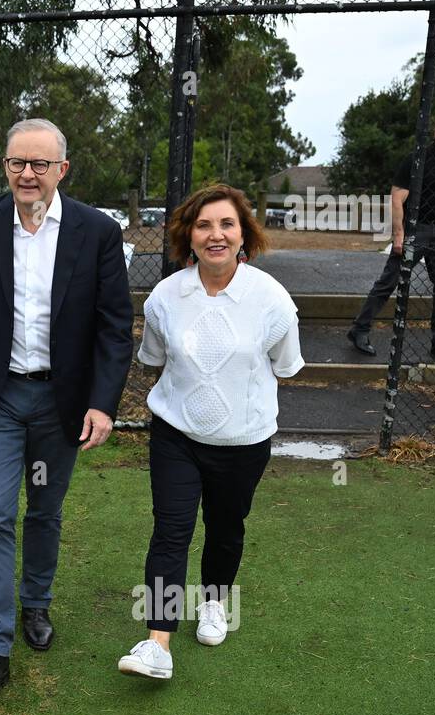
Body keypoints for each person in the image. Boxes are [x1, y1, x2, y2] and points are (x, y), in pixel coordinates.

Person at [0, 118, 134, 694]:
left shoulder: (96, 230)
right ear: (5, 166)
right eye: (17, 162)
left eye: (39, 164)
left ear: (61, 171)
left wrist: (103, 403)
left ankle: (37, 604)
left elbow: (115, 327)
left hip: (62, 401)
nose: (27, 173)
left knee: (45, 510)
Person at [118, 184, 302, 681]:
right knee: (171, 531)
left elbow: (285, 367)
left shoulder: (272, 300)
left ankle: (215, 602)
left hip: (244, 443)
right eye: (203, 225)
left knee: (225, 529)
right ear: (188, 235)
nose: (215, 234)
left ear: (244, 234)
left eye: (226, 224)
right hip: (176, 437)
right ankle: (157, 642)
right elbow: (154, 359)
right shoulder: (164, 296)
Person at [347, 110, 435, 363]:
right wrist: (399, 236)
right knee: (389, 281)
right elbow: (397, 197)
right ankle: (359, 330)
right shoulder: (418, 158)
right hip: (415, 229)